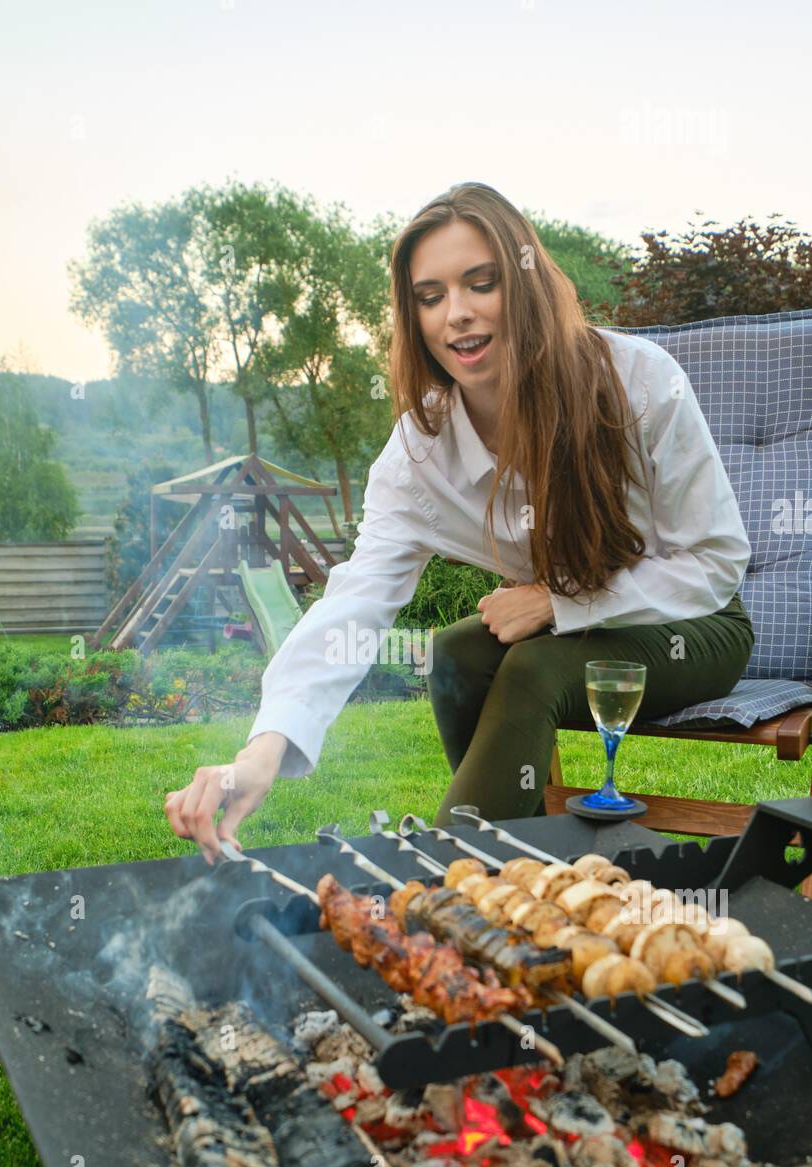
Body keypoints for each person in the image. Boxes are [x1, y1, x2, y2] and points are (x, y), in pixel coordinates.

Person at [165, 181, 754, 865]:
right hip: (573, 632)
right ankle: (531, 869)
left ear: (526, 283)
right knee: (454, 654)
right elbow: (353, 604)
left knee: (534, 665)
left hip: (697, 624)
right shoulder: (421, 451)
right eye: (431, 296)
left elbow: (713, 564)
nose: (458, 315)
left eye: (482, 284)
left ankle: (450, 878)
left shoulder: (639, 382)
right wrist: (259, 753)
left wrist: (558, 603)